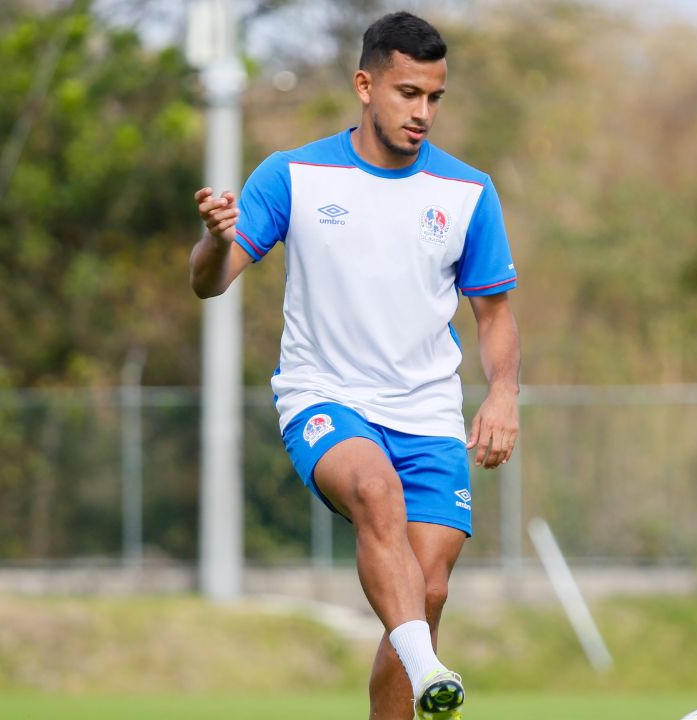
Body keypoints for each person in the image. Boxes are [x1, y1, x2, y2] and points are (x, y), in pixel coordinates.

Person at [189, 11, 520, 720]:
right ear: (365, 86)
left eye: (434, 97)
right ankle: (432, 668)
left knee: (426, 594)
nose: (423, 112)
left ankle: (418, 667)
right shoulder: (292, 175)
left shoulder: (467, 192)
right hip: (325, 398)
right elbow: (209, 282)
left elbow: (493, 312)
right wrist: (214, 242)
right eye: (408, 93)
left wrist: (503, 396)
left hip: (429, 413)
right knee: (373, 488)